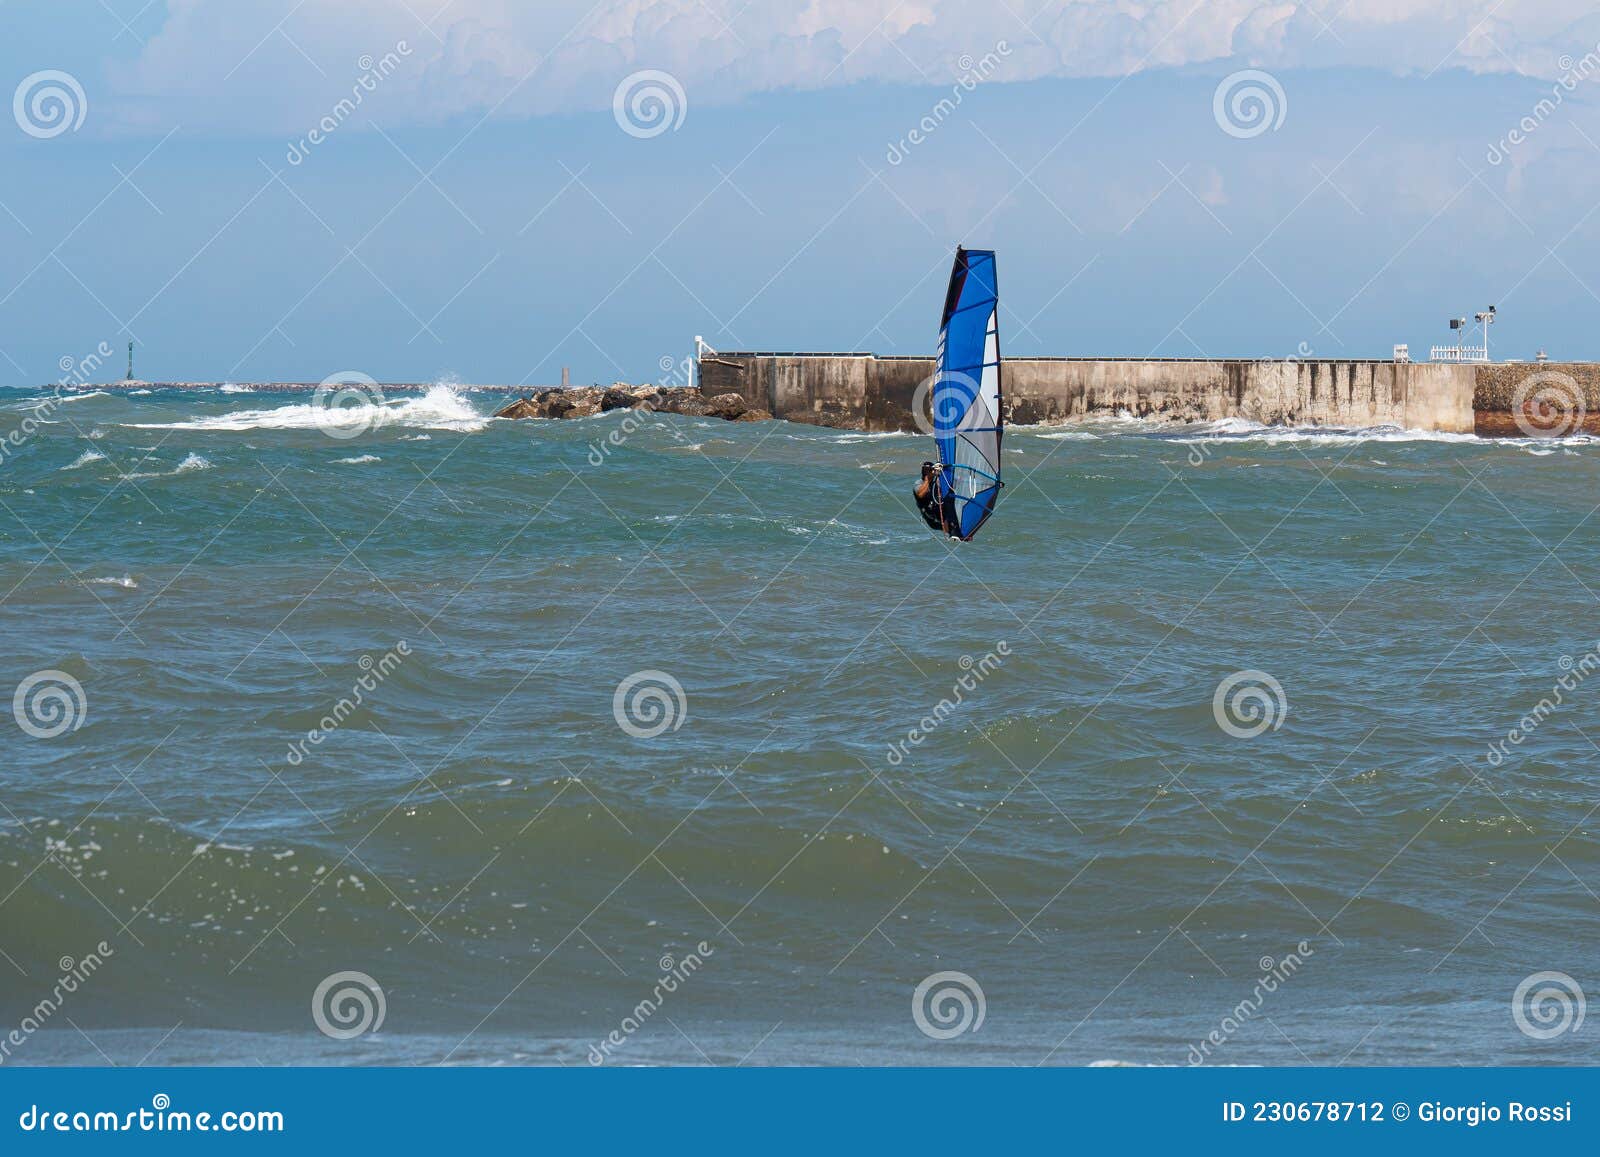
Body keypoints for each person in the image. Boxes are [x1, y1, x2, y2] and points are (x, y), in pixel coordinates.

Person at [914, 461, 958, 536]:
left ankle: (957, 532)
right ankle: (952, 532)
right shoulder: (919, 483)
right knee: (947, 521)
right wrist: (928, 479)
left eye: (929, 470)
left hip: (941, 511)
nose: (926, 472)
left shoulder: (937, 481)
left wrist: (942, 472)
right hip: (932, 518)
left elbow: (950, 483)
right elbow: (920, 494)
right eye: (924, 470)